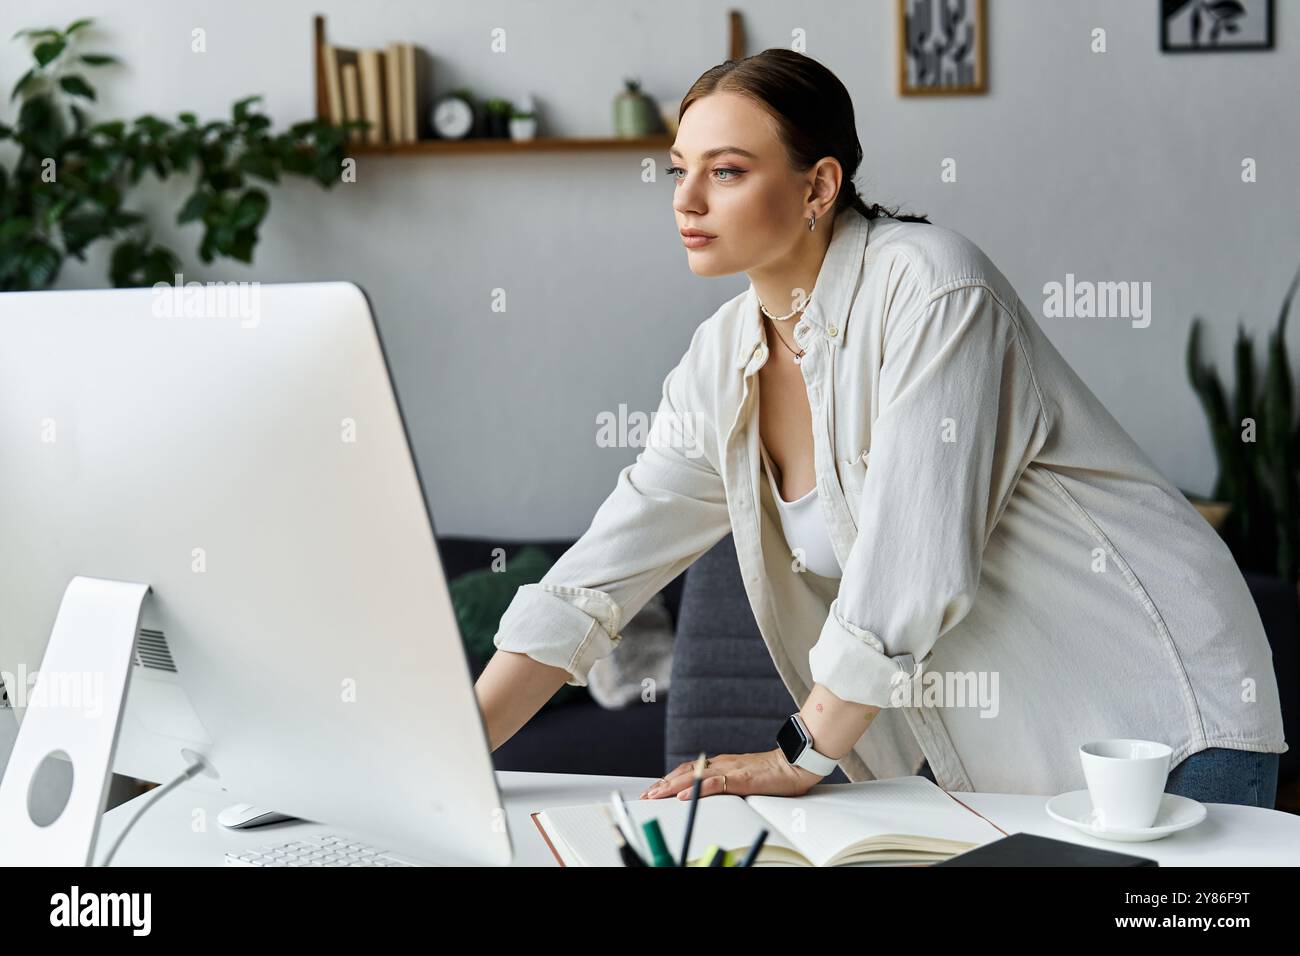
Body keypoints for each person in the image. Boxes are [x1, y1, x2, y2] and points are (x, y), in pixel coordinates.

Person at [475, 49, 1287, 808]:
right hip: (1008, 755)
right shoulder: (719, 362)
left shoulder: (934, 290)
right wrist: (460, 748)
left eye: (725, 172)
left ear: (818, 187)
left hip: (1163, 716)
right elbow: (594, 580)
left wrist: (799, 756)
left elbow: (913, 566)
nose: (685, 200)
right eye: (678, 171)